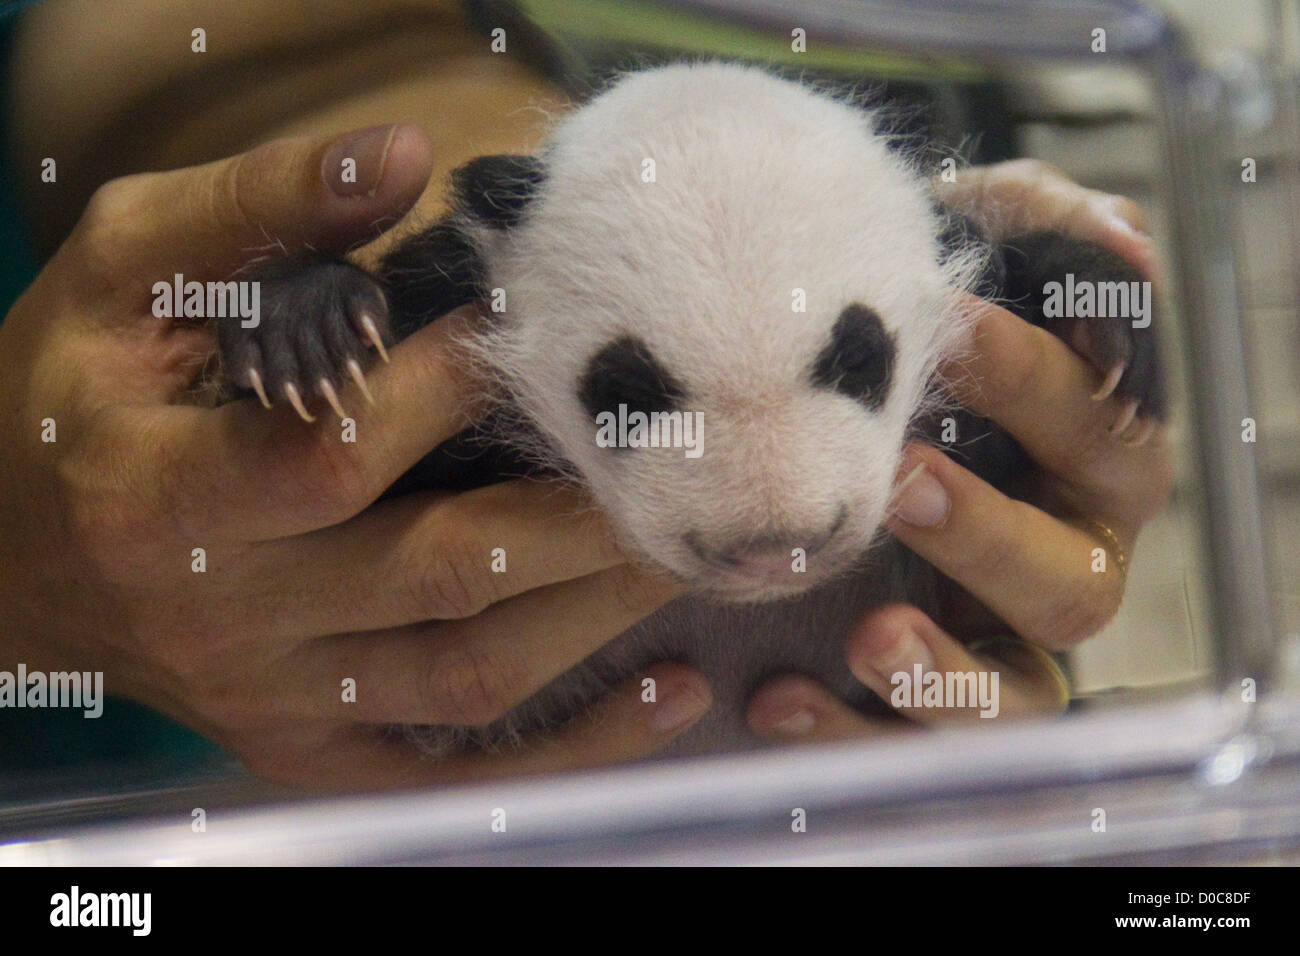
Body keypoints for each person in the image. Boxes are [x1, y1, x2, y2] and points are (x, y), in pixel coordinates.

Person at [0, 0, 1172, 789]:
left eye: (853, 366)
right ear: (497, 260)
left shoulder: (947, 283)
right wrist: (283, 308)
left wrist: (1082, 328)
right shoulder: (453, 299)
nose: (771, 523)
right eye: (642, 395)